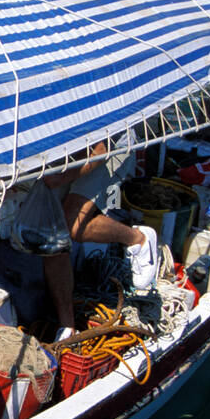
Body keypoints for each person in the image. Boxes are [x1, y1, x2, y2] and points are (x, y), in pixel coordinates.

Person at [38, 141, 158, 342]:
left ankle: (139, 238)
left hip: (108, 148)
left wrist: (63, 176)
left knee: (70, 225)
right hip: (69, 150)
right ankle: (67, 327)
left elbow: (102, 149)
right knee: (51, 237)